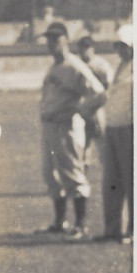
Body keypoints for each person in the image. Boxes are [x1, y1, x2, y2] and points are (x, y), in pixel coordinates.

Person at [38, 21, 104, 237]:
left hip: (66, 127)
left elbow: (99, 93)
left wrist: (79, 111)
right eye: (49, 39)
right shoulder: (54, 66)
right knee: (50, 174)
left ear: (65, 40)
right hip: (50, 127)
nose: (51, 43)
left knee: (73, 174)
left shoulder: (74, 65)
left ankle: (80, 225)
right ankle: (60, 223)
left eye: (56, 39)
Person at [100, 24, 133, 241]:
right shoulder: (121, 66)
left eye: (124, 46)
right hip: (112, 128)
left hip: (129, 129)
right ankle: (112, 230)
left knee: (131, 181)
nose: (120, 50)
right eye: (118, 46)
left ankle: (133, 231)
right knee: (111, 181)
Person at [74, 33, 113, 176]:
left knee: (102, 145)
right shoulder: (77, 65)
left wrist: (96, 106)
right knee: (82, 146)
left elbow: (108, 89)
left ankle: (110, 175)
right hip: (81, 110)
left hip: (97, 110)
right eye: (81, 48)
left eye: (86, 48)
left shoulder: (101, 65)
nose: (84, 51)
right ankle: (81, 175)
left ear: (92, 48)